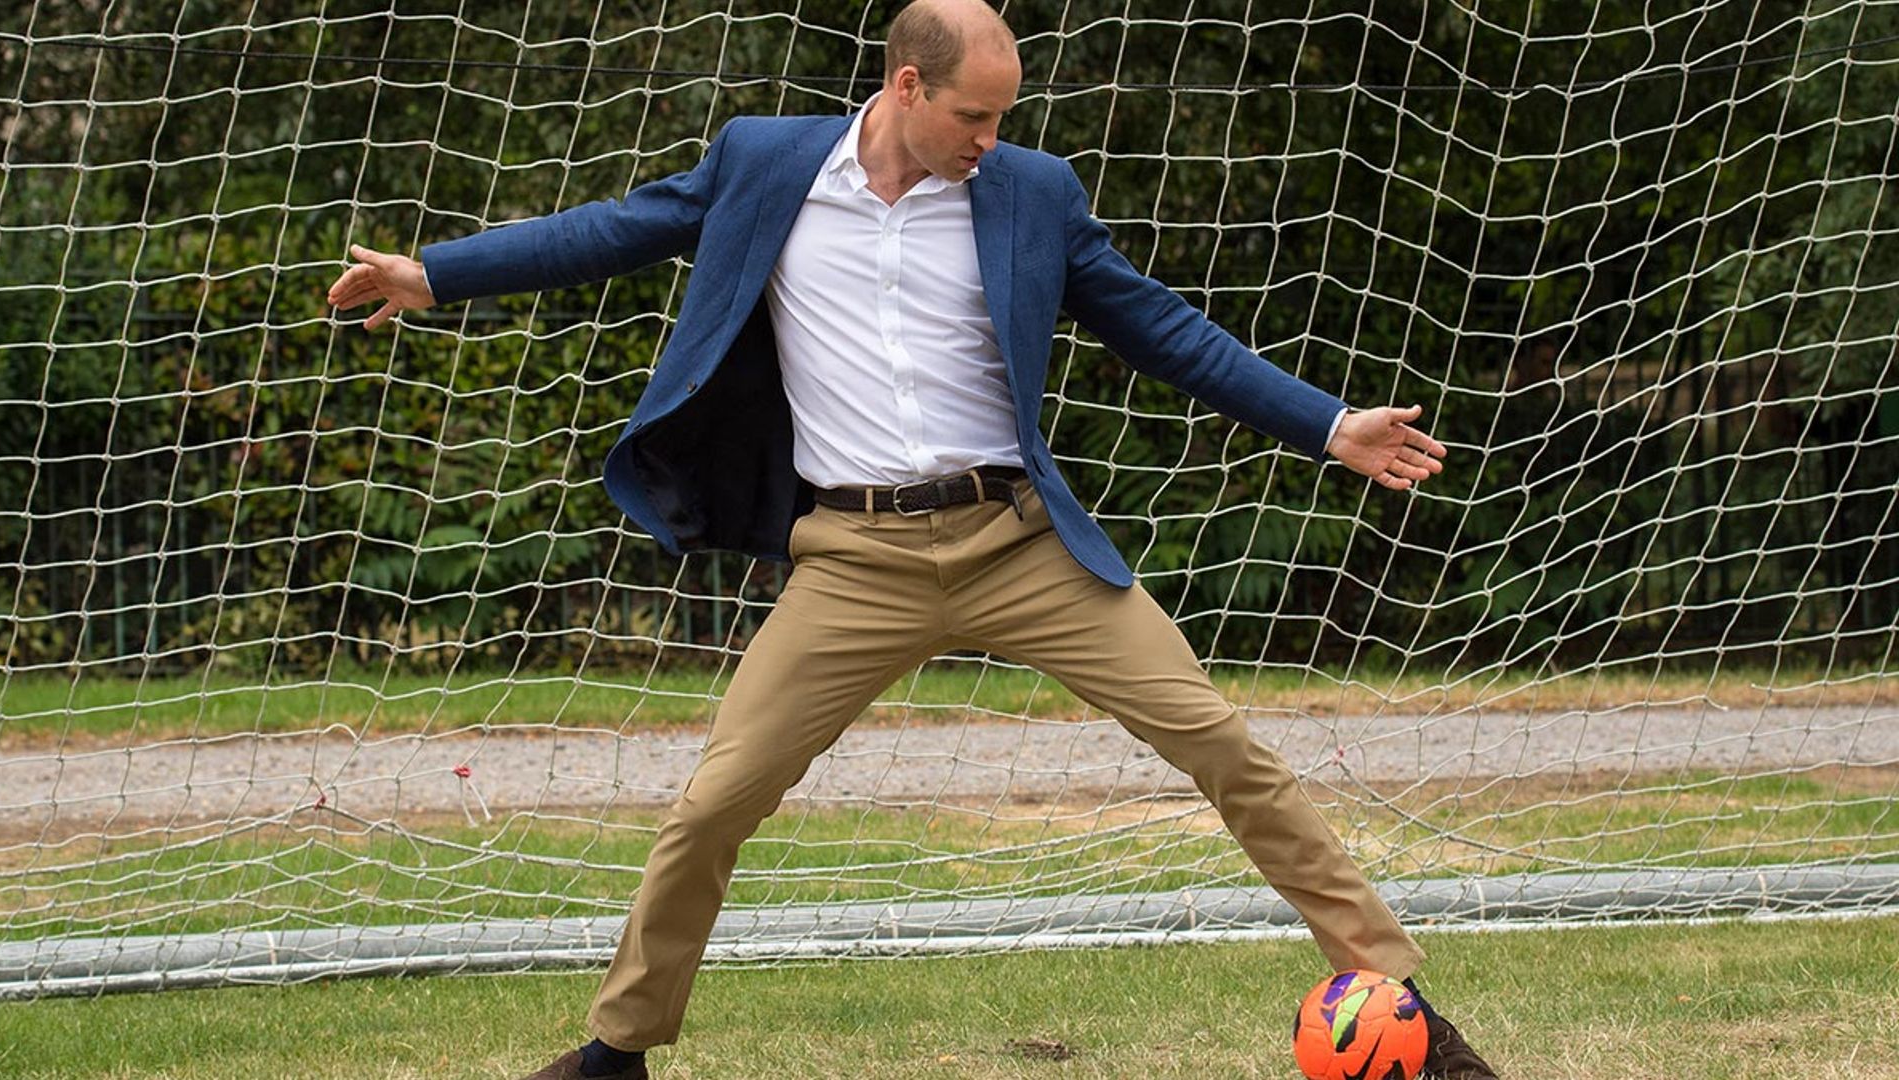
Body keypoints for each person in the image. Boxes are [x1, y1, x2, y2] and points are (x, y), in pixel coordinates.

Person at [328, 2, 1498, 1077]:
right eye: (974, 116)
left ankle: (1405, 1009)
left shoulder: (1030, 192)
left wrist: (1329, 426)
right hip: (855, 560)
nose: (991, 139)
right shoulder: (766, 164)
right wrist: (436, 274)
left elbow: (1163, 328)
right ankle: (615, 1054)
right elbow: (612, 232)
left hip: (1019, 544)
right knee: (716, 803)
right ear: (905, 86)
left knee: (1226, 749)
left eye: (1003, 118)